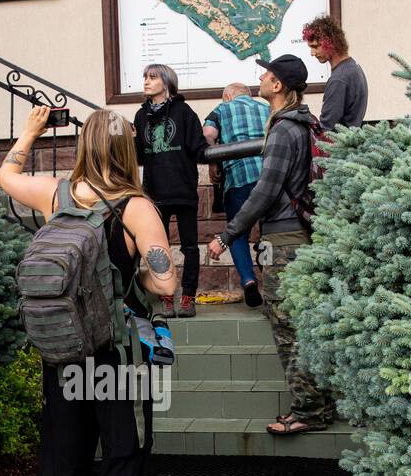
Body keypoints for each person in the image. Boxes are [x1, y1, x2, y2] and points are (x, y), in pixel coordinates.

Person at [0, 104, 178, 476]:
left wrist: (29, 132)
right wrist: (127, 275)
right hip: (118, 353)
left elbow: (5, 176)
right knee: (124, 449)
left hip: (64, 347)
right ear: (127, 149)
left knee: (63, 449)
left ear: (84, 146)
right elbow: (165, 284)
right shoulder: (135, 206)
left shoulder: (54, 195)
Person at [208, 55, 335, 436]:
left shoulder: (283, 130)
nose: (261, 77)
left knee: (287, 328)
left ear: (278, 86)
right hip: (303, 235)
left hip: (285, 240)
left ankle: (309, 410)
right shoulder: (305, 124)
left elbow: (265, 191)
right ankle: (322, 404)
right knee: (305, 324)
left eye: (267, 73)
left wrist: (226, 235)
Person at [133, 63, 206, 318]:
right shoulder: (141, 116)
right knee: (158, 248)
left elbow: (198, 147)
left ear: (166, 82)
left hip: (183, 189)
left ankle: (187, 298)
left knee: (190, 248)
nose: (146, 82)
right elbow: (139, 154)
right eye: (145, 77)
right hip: (155, 193)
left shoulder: (184, 112)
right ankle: (165, 296)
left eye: (152, 77)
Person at [203, 82, 270, 307]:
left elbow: (208, 133)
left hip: (239, 178)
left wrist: (214, 161)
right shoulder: (267, 108)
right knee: (268, 232)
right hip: (269, 177)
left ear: (229, 96)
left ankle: (249, 281)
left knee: (238, 233)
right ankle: (272, 283)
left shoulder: (222, 109)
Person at [302, 14, 368, 129]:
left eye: (316, 46)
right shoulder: (354, 68)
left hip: (339, 145)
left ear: (330, 43)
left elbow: (327, 128)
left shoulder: (339, 79)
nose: (312, 53)